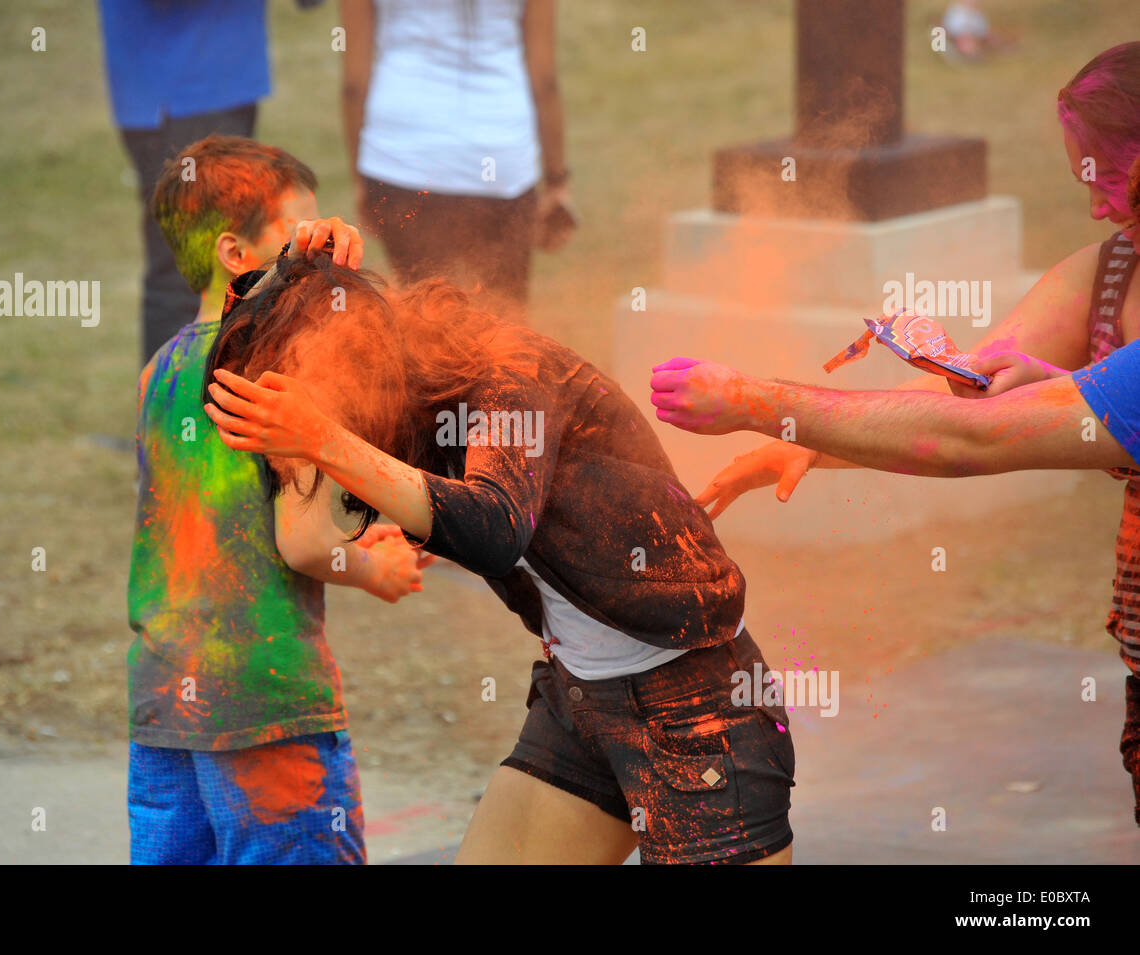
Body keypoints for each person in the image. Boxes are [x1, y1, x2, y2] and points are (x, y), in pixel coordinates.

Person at [201, 253, 795, 865]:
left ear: (354, 360)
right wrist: (292, 266)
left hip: (696, 713)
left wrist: (323, 436)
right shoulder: (414, 387)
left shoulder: (507, 367)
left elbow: (496, 526)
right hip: (580, 703)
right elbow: (321, 528)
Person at [689, 43, 1140, 825]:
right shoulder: (1109, 273)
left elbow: (975, 442)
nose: (1094, 198)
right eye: (1081, 173)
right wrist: (809, 438)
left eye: (1105, 168)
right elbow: (962, 400)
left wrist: (755, 399)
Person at [127, 138, 427, 865]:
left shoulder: (157, 374)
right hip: (269, 711)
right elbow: (300, 542)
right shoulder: (285, 365)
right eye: (298, 238)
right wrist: (371, 567)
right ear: (235, 253)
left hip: (165, 707)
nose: (317, 252)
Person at [340, 0, 575, 319]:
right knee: (506, 329)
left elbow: (354, 84)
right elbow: (544, 80)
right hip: (500, 160)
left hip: (401, 161)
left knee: (424, 324)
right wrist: (557, 181)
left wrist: (361, 180)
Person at [99, 0, 281, 363]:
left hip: (218, 85)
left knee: (227, 271)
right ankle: (166, 416)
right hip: (179, 91)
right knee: (187, 276)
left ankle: (199, 411)